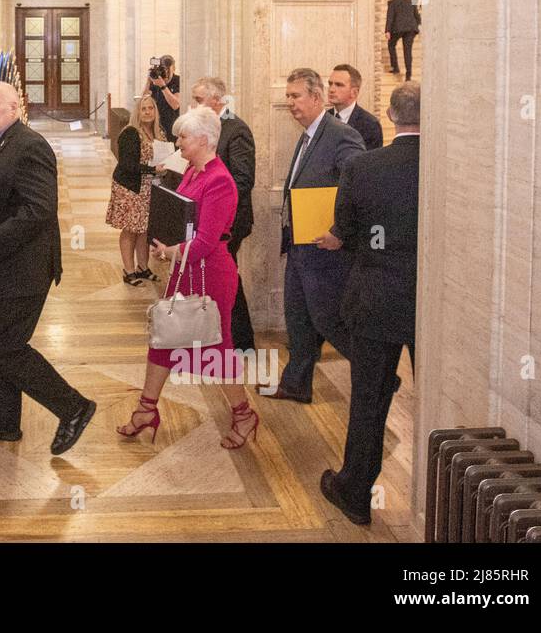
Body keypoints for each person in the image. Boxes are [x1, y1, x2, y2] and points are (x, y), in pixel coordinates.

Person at [0, 81, 96, 455]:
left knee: (7, 349)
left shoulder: (29, 146)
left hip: (22, 270)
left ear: (15, 108)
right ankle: (4, 420)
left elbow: (39, 209)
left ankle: (73, 407)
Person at [118, 106, 260, 449]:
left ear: (203, 139)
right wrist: (168, 244)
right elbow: (182, 218)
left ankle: (243, 413)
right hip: (187, 272)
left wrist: (171, 251)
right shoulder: (195, 172)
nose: (178, 142)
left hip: (211, 275)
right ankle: (146, 410)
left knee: (216, 346)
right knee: (164, 337)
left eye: (183, 137)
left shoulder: (220, 181)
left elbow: (206, 242)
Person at [319, 83, 421, 525]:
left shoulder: (363, 166)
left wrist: (339, 240)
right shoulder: (449, 166)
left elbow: (346, 232)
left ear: (391, 115)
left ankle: (355, 490)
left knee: (369, 398)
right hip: (432, 301)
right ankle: (434, 498)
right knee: (440, 398)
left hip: (376, 295)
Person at [265, 68, 365, 404]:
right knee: (299, 318)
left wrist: (340, 232)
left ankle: (377, 372)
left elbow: (357, 186)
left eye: (296, 96)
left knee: (329, 320)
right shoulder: (309, 134)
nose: (290, 103)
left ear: (317, 98)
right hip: (300, 246)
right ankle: (295, 384)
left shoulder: (340, 134)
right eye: (288, 96)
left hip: (325, 250)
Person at [191, 77, 255, 351]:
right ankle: (214, 335)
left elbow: (243, 179)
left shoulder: (236, 129)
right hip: (209, 219)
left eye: (198, 99)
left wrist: (216, 205)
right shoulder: (208, 127)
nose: (193, 106)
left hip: (230, 222)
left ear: (217, 100)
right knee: (217, 278)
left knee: (229, 280)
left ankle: (242, 341)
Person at [107, 91, 165, 285]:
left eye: (151, 108)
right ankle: (128, 270)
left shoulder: (159, 133)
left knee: (144, 229)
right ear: (137, 112)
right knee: (131, 229)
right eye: (143, 109)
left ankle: (143, 267)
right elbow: (127, 165)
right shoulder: (130, 133)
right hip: (130, 188)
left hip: (149, 187)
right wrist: (153, 169)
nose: (148, 112)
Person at [327, 64, 383, 151]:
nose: (331, 89)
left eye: (339, 85)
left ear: (354, 92)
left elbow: (371, 162)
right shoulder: (324, 118)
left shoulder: (370, 124)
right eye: (330, 84)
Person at [385, 0, 421, 81]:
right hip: (410, 28)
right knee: (407, 51)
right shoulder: (411, 1)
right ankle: (408, 75)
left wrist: (387, 30)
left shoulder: (392, 2)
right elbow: (417, 17)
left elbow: (390, 17)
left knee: (391, 45)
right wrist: (418, 26)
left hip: (398, 28)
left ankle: (395, 67)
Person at [148, 55, 182, 141]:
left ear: (173, 68)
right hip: (157, 125)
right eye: (163, 69)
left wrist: (163, 86)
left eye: (167, 69)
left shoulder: (178, 80)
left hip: (172, 126)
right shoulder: (156, 80)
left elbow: (176, 105)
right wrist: (148, 80)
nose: (165, 72)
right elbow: (144, 99)